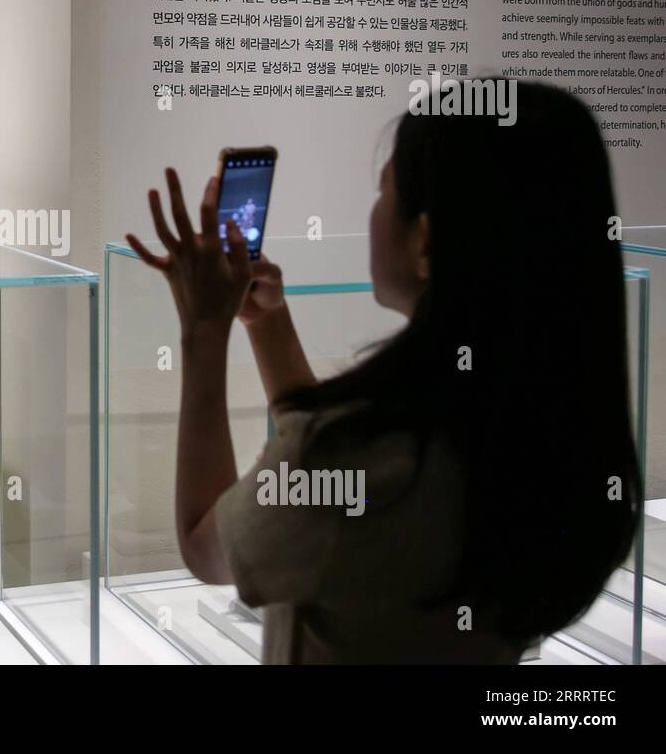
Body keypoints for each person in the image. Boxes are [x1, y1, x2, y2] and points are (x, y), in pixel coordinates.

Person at [127, 80, 641, 663]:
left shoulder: (358, 460)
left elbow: (204, 542)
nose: (375, 209)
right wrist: (266, 324)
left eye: (384, 190)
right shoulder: (551, 437)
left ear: (426, 241)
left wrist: (203, 331)